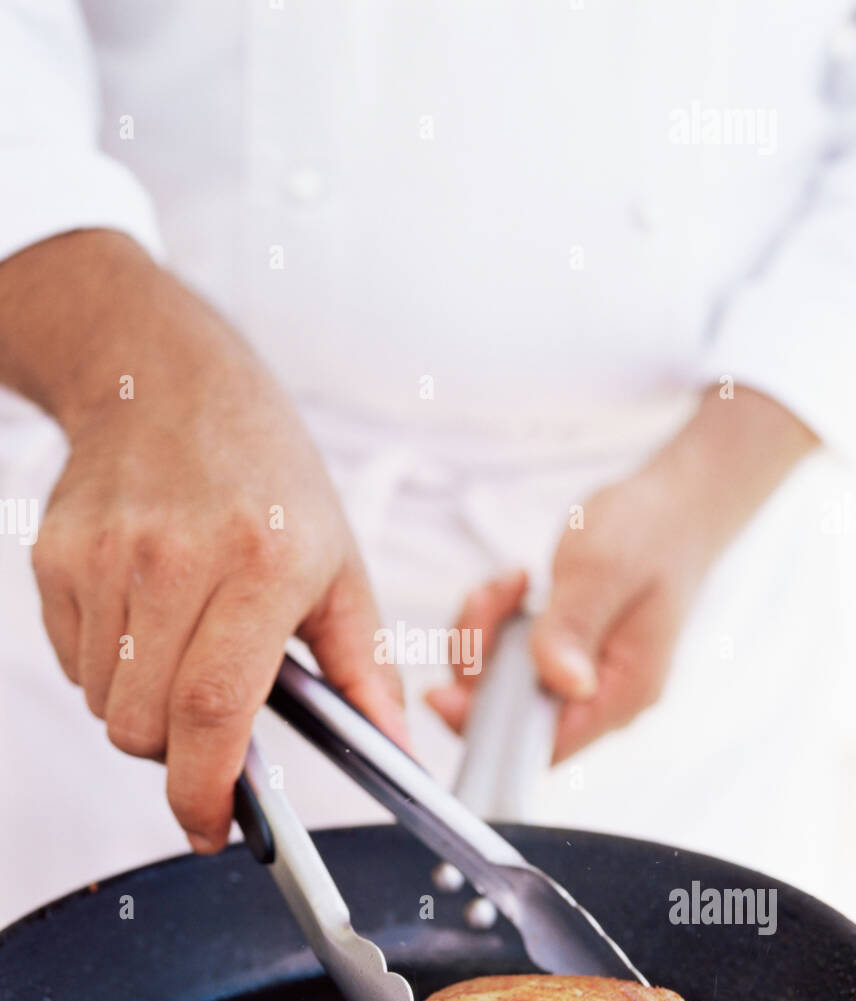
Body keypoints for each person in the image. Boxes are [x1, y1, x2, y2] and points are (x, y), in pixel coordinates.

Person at [1, 1, 854, 927]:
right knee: (121, 988)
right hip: (141, 502)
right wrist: (133, 365)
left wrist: (711, 479)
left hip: (704, 561)